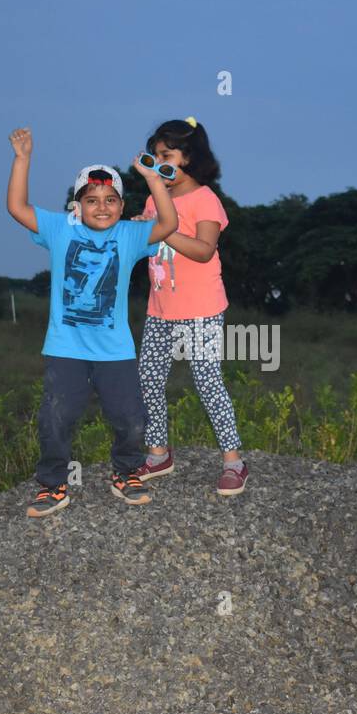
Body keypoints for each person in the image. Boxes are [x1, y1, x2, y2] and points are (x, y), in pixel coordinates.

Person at [6, 126, 178, 517]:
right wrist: (23, 159)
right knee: (56, 416)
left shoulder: (131, 235)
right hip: (65, 347)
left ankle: (126, 472)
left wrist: (153, 179)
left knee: (132, 419)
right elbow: (17, 207)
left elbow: (169, 224)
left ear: (122, 204)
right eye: (92, 199)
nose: (102, 207)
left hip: (115, 350)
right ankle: (53, 485)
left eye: (111, 200)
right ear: (77, 205)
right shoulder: (60, 229)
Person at [132, 117, 248, 496]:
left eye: (166, 155)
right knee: (148, 376)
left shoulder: (205, 199)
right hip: (160, 307)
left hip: (201, 308)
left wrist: (165, 229)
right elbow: (154, 246)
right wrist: (141, 230)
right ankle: (158, 453)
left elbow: (203, 250)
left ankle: (234, 462)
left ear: (189, 158)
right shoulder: (153, 199)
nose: (157, 162)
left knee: (207, 380)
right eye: (154, 155)